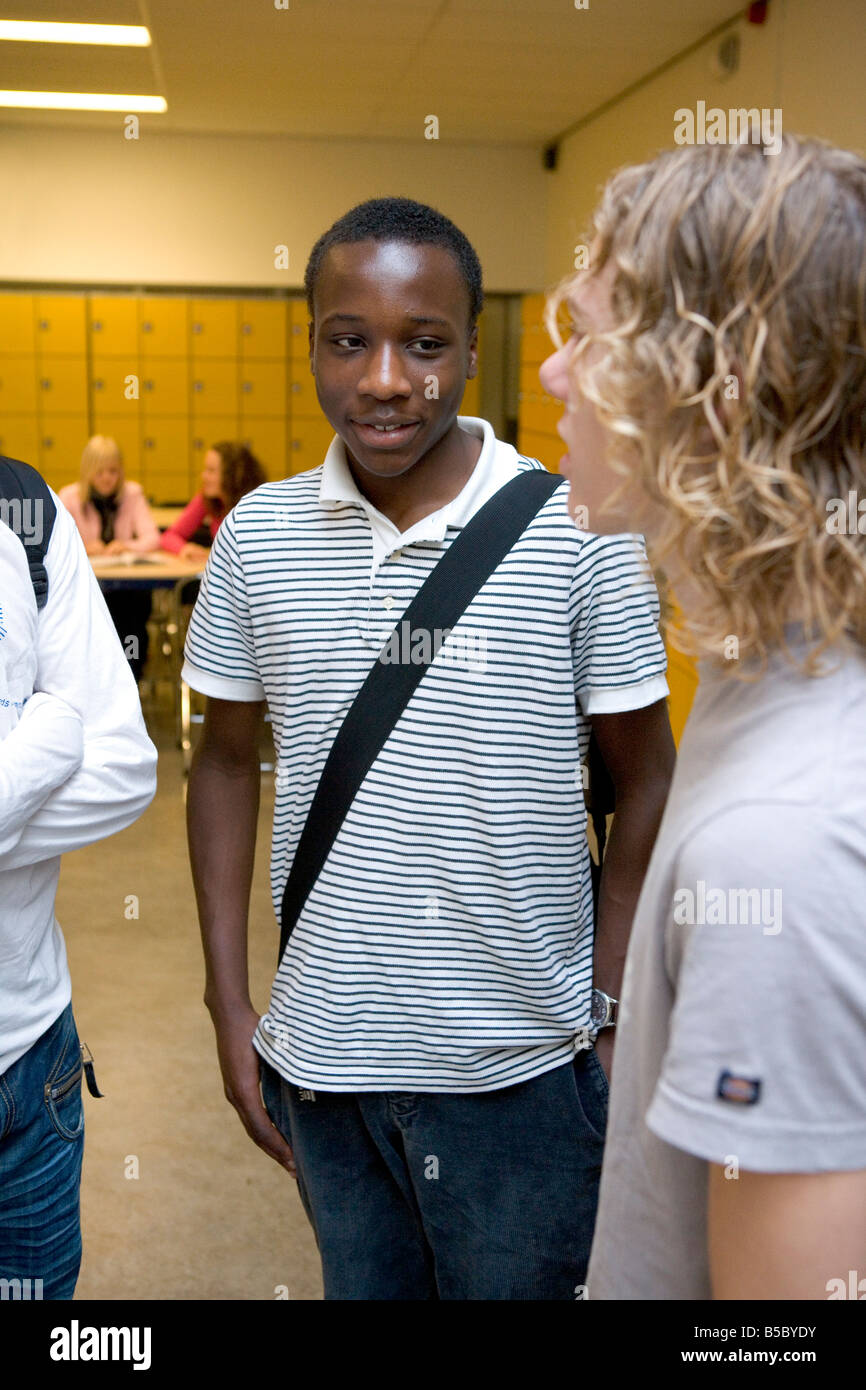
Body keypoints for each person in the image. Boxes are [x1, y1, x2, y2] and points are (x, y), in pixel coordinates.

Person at [182, 197, 676, 1301]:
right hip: (323, 1070)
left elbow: (645, 784)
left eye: (425, 342)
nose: (386, 379)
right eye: (347, 338)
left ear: (469, 346)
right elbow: (221, 760)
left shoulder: (578, 527)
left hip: (523, 1075)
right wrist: (228, 1003)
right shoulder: (256, 537)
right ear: (310, 340)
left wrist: (604, 1012)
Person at [538, 135, 866, 1300]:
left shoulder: (783, 836)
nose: (553, 377)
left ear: (712, 383)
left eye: (586, 335)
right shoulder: (759, 675)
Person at [0, 455, 157, 1299]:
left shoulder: (19, 509)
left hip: (30, 1061)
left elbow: (124, 767)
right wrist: (38, 751)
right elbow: (77, 741)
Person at [59, 436, 161, 683]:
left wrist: (125, 546)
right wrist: (84, 547)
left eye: (113, 471)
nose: (107, 478)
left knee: (131, 622)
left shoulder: (132, 493)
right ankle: (95, 682)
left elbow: (153, 538)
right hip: (88, 587)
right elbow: (58, 542)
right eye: (100, 472)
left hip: (128, 590)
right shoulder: (69, 497)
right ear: (87, 472)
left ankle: (130, 681)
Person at [159, 442, 267, 563]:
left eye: (211, 470)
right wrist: (185, 549)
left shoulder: (257, 505)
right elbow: (169, 536)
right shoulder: (207, 498)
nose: (203, 476)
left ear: (232, 476)